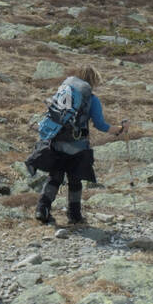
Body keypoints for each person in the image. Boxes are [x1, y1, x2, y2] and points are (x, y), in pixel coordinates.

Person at [35, 65, 125, 225]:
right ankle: (74, 215)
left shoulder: (64, 92)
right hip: (78, 145)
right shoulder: (92, 99)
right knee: (75, 180)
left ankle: (42, 209)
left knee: (54, 177)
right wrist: (119, 130)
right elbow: (100, 125)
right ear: (93, 81)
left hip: (56, 140)